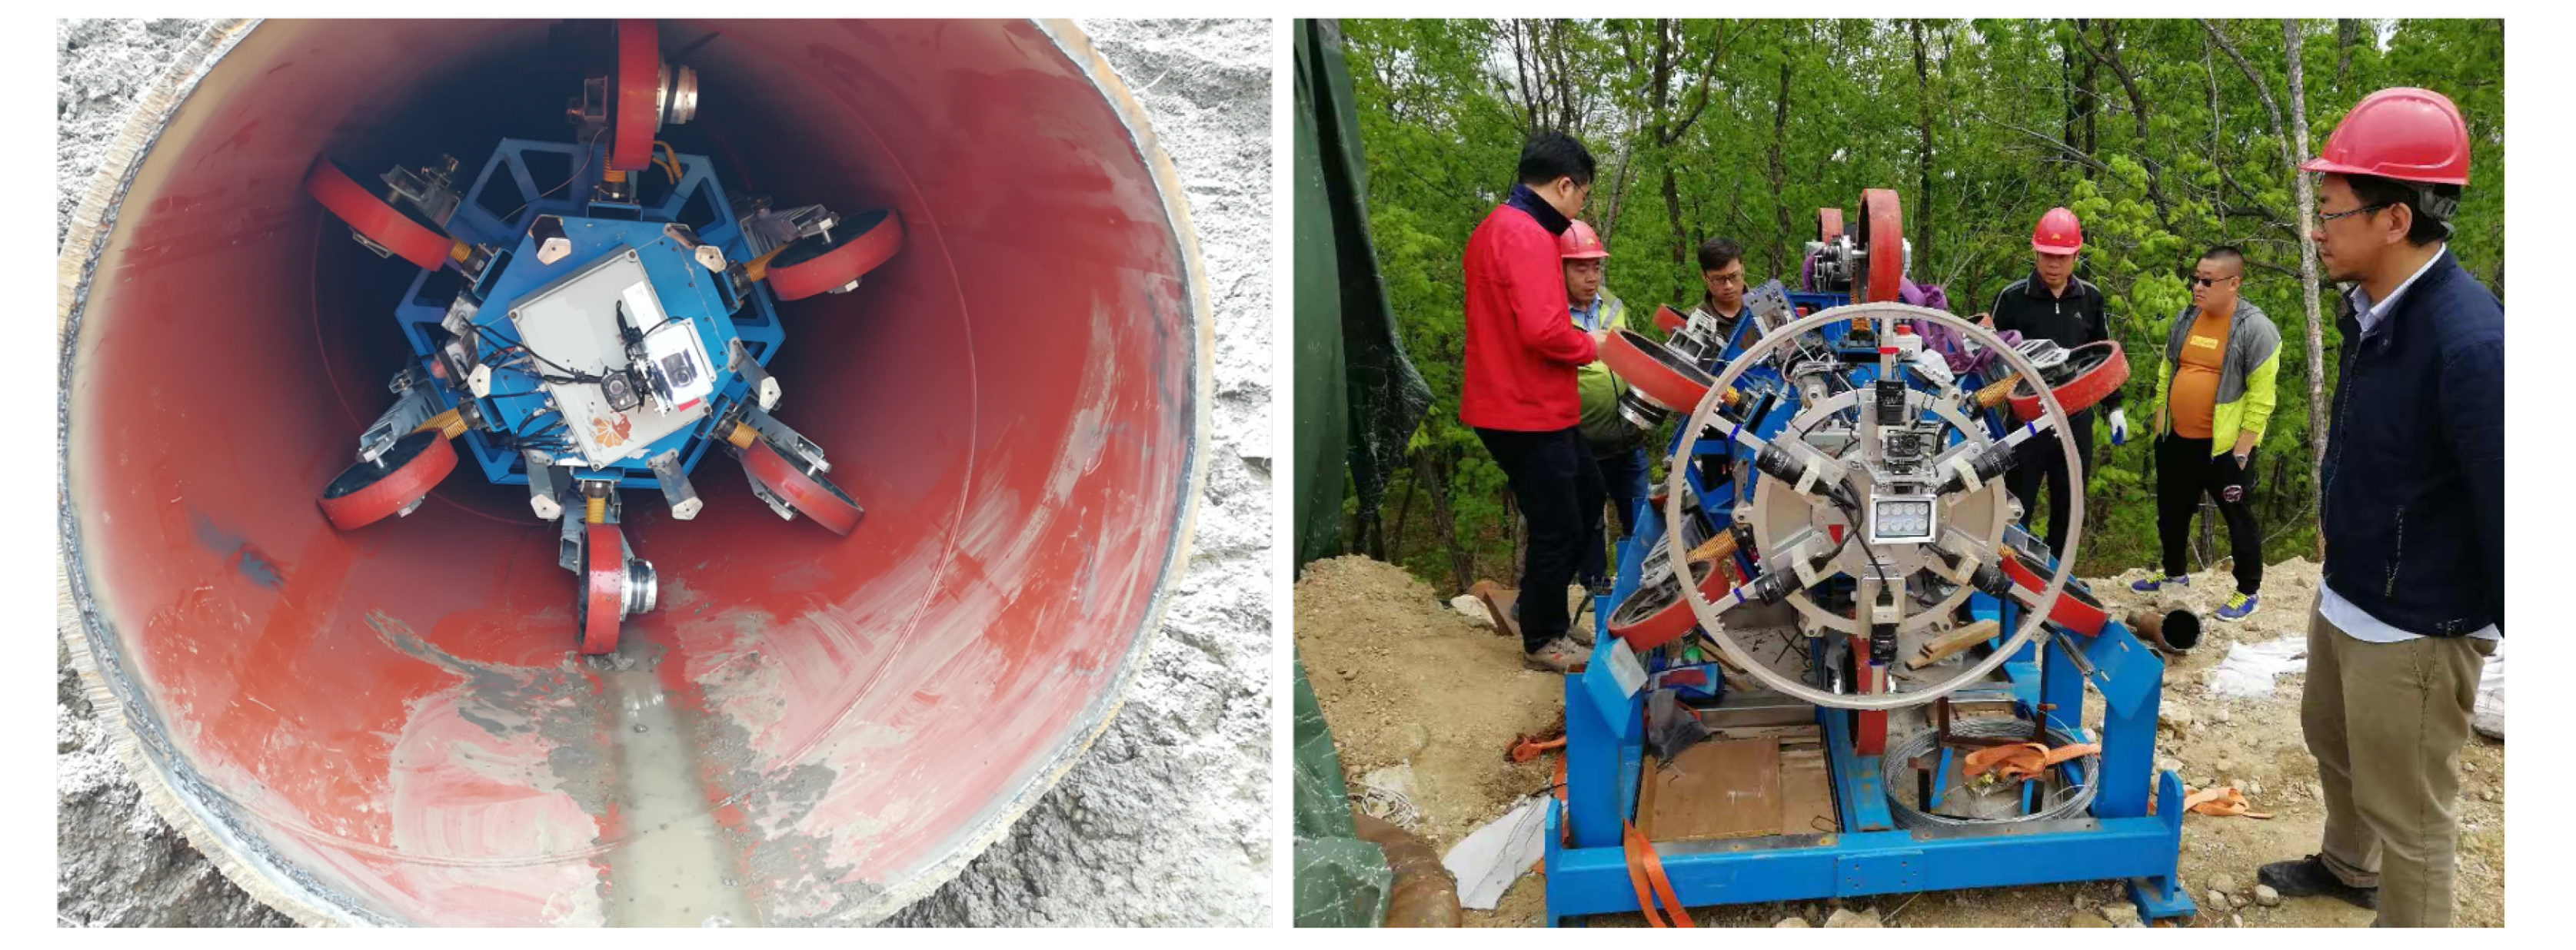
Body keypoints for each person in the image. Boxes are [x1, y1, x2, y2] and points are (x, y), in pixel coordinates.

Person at [2256, 87, 2500, 928]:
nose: (2315, 230)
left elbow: (2508, 503)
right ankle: (2345, 866)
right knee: (2333, 739)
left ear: (2394, 219)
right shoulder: (2375, 310)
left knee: (2411, 813)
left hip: (2417, 623)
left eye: (2330, 211)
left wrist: (2488, 630)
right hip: (2353, 590)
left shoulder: (2471, 344)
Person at [1459, 129, 1609, 674]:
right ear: (1565, 185)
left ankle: (1542, 610)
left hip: (1527, 403)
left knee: (1588, 496)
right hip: (1522, 409)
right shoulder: (1526, 235)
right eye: (1582, 195)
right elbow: (1544, 331)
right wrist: (1595, 346)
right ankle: (1543, 637)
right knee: (1558, 523)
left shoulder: (1495, 228)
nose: (1579, 209)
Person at [2130, 247, 2278, 623]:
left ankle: (2248, 591)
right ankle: (2174, 573)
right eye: (2195, 278)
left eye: (2207, 281)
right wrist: (2161, 423)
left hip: (2224, 448)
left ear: (2234, 284)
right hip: (2177, 438)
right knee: (2171, 511)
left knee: (2238, 518)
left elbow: (2262, 397)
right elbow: (2167, 370)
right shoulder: (2187, 317)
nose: (2197, 286)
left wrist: (2243, 448)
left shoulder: (2255, 329)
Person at [1985, 208, 2123, 561]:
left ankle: (2062, 573)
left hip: (2075, 418)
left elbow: (2100, 356)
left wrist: (2114, 407)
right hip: (2026, 420)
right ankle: (2013, 573)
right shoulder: (2012, 298)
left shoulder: (2090, 299)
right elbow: (1989, 357)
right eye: (2047, 255)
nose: (2053, 264)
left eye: (2062, 257)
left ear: (2076, 255)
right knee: (2016, 503)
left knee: (2070, 503)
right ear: (2035, 252)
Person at [1560, 221, 1646, 593]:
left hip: (1628, 438)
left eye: (1596, 266)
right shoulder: (1551, 315)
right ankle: (1595, 592)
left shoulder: (1613, 306)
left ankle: (1641, 588)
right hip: (1582, 443)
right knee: (1587, 523)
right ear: (1560, 269)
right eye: (1581, 268)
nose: (1591, 276)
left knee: (1641, 520)